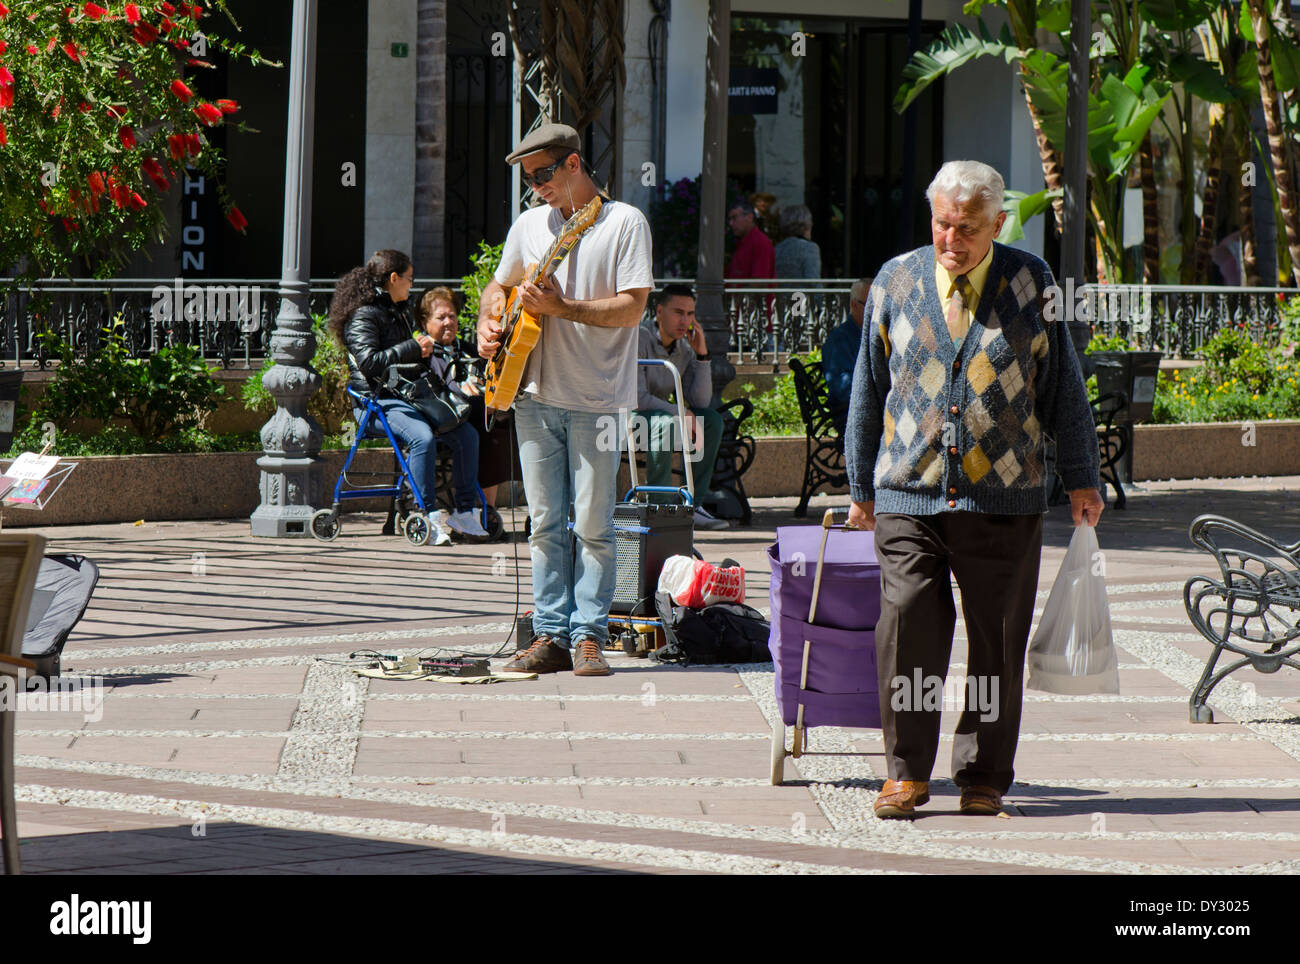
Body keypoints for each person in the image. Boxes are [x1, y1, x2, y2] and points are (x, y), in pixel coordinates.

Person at [844, 159, 1103, 820]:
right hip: (909, 492)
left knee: (995, 641)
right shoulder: (896, 281)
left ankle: (983, 773)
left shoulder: (1030, 281)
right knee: (907, 631)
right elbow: (868, 392)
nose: (950, 239)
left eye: (965, 227)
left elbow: (1064, 389)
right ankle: (905, 772)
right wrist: (858, 485)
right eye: (942, 223)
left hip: (1003, 498)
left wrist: (1082, 478)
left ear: (997, 222)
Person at [477, 123, 653, 678]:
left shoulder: (624, 223)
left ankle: (591, 637)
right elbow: (498, 286)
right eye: (529, 180)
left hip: (597, 397)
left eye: (544, 175)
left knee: (595, 524)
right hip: (533, 393)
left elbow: (632, 308)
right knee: (545, 523)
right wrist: (488, 318)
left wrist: (566, 308)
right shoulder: (530, 225)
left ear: (574, 164)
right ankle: (551, 633)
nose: (536, 189)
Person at [328, 249, 455, 546]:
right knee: (422, 438)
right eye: (409, 279)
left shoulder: (396, 310)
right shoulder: (363, 315)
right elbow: (369, 363)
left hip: (402, 397)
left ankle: (468, 510)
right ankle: (426, 514)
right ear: (394, 278)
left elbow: (403, 362)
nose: (412, 285)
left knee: (463, 429)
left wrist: (422, 353)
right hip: (373, 402)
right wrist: (412, 347)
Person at [635, 284, 728, 530]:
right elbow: (637, 397)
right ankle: (659, 508)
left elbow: (700, 401)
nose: (684, 320)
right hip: (627, 419)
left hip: (662, 418)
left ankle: (692, 506)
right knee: (667, 424)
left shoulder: (684, 347)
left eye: (689, 314)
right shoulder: (639, 337)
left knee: (711, 420)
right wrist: (680, 412)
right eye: (678, 312)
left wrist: (702, 356)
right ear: (659, 311)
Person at [411, 287, 495, 539]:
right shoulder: (419, 352)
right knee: (467, 436)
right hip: (431, 418)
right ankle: (447, 511)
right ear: (425, 323)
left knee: (492, 433)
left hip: (464, 418)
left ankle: (472, 510)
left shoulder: (468, 350)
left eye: (452, 316)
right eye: (441, 317)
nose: (449, 322)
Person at [822, 277, 872, 435]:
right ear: (853, 305)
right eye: (870, 305)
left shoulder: (877, 336)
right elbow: (843, 389)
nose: (876, 310)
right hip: (851, 416)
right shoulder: (840, 339)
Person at [725, 198, 775, 280]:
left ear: (749, 217)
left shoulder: (760, 242)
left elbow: (758, 284)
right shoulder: (740, 242)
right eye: (730, 219)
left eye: (734, 218)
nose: (731, 223)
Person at [774, 204, 821, 279]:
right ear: (804, 225)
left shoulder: (777, 249)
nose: (812, 224)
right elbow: (813, 282)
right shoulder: (810, 248)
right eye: (810, 221)